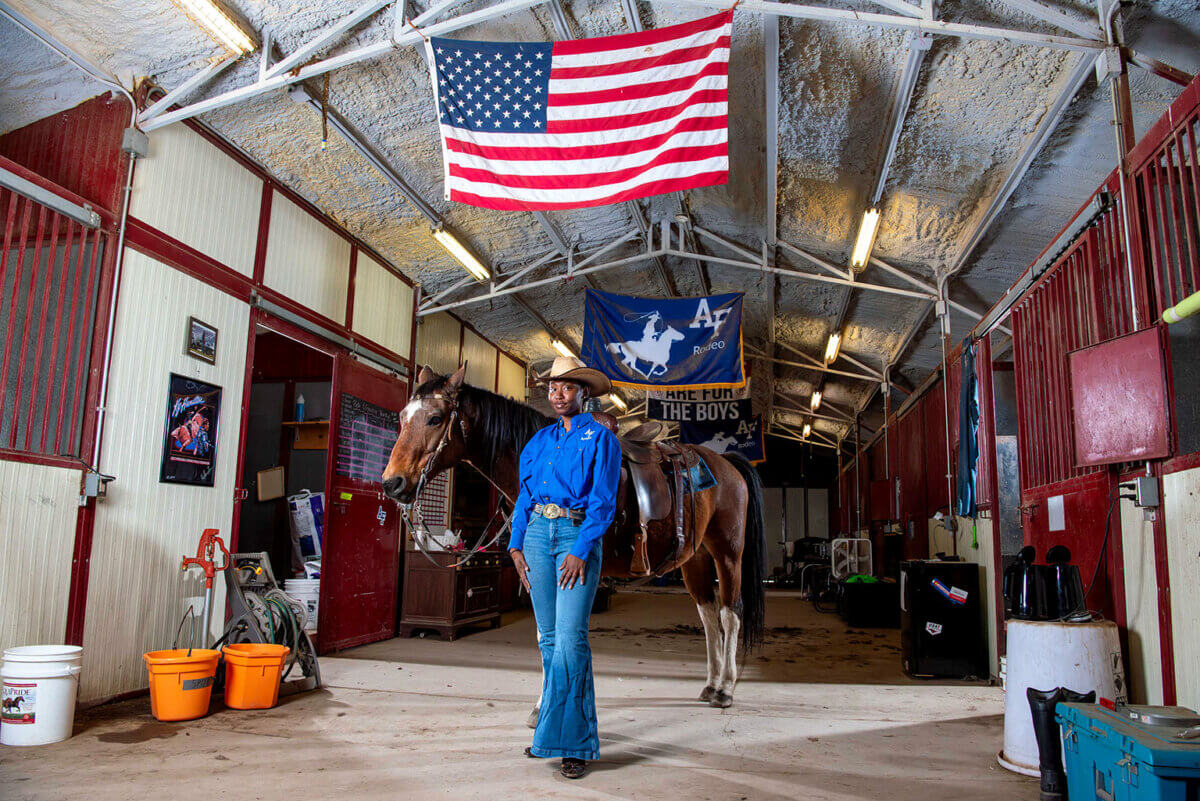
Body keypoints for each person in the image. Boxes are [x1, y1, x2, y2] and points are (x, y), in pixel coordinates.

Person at [507, 356, 622, 779]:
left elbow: (603, 502)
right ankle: (558, 737)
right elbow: (523, 497)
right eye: (553, 387)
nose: (557, 393)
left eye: (567, 387)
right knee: (549, 640)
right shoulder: (538, 442)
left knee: (572, 641)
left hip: (575, 536)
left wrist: (582, 548)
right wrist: (515, 545)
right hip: (536, 536)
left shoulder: (601, 439)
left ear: (583, 392)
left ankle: (574, 743)